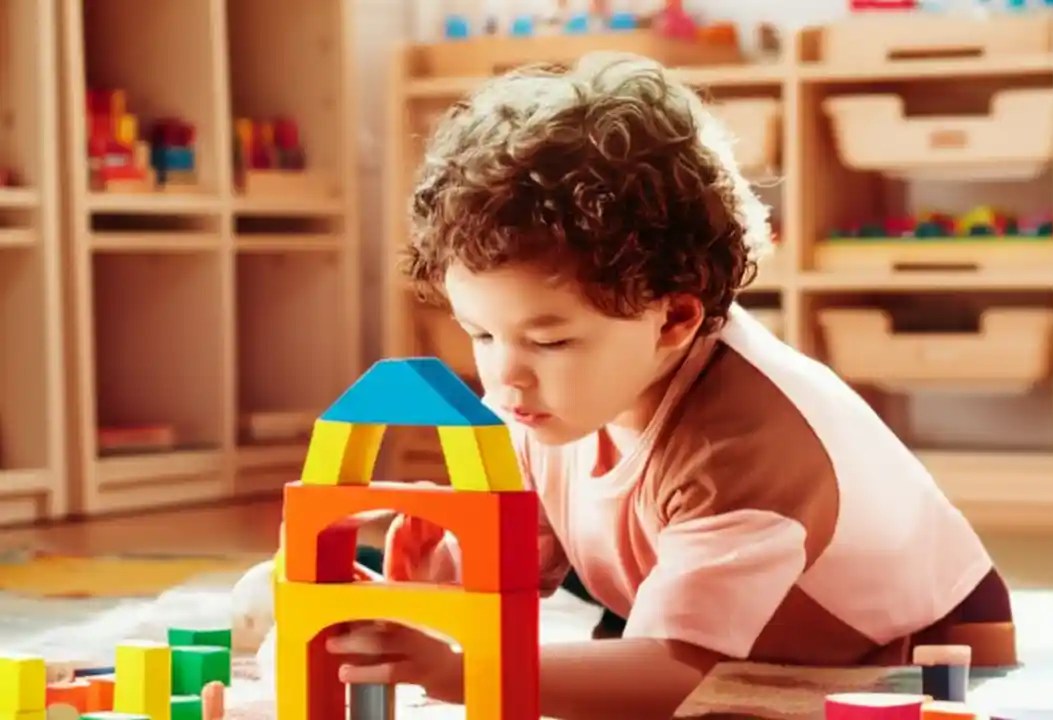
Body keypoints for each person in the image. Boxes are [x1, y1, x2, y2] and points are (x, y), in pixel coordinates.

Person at [326, 51, 1014, 720]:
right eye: (480, 333)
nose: (503, 374)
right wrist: (436, 581)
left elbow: (677, 677)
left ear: (675, 317)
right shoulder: (548, 396)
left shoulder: (741, 449)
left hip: (911, 656)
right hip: (710, 639)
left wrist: (461, 675)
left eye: (548, 340)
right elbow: (519, 567)